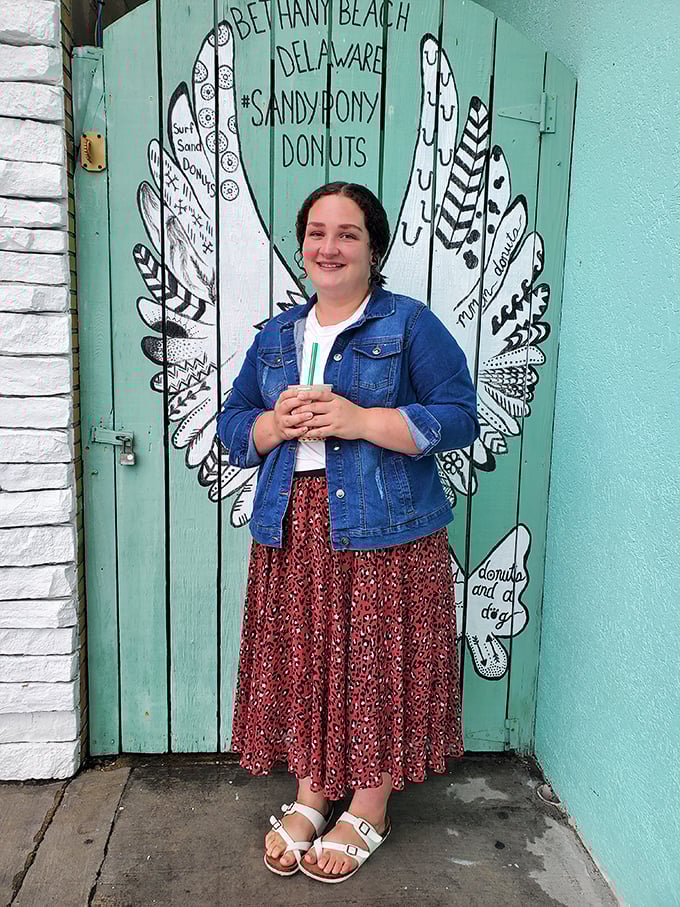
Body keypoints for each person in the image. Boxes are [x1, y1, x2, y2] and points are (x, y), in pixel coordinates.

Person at [216, 181, 479, 884]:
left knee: (374, 662)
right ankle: (310, 793)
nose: (328, 247)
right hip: (293, 523)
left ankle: (370, 802)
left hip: (385, 525)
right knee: (305, 656)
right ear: (302, 244)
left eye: (348, 233)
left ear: (374, 247)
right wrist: (274, 425)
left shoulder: (409, 325)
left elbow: (459, 414)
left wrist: (360, 419)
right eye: (317, 232)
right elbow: (232, 425)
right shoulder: (276, 337)